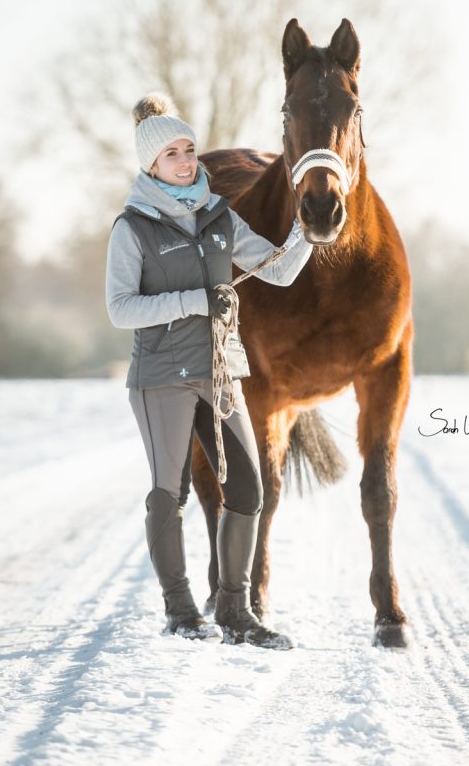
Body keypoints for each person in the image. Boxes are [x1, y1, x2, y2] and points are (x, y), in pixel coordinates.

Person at [106, 94, 313, 649]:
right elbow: (120, 308)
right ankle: (181, 611)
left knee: (249, 488)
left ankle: (234, 611)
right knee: (168, 495)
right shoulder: (133, 228)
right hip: (161, 378)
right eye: (171, 153)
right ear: (151, 165)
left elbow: (279, 271)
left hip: (220, 372)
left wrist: (308, 234)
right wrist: (196, 301)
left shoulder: (220, 216)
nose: (185, 161)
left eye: (190, 150)